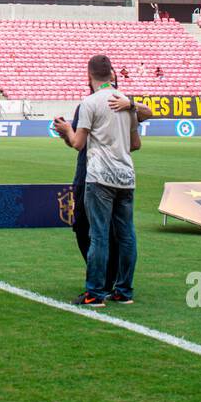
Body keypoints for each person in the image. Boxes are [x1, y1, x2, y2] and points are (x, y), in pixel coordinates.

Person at [53, 55, 140, 307]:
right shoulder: (126, 104)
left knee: (99, 235)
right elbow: (135, 144)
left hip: (100, 176)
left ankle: (95, 292)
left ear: (89, 74)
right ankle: (124, 291)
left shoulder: (90, 102)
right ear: (112, 74)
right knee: (126, 235)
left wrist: (67, 130)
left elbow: (78, 143)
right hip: (126, 175)